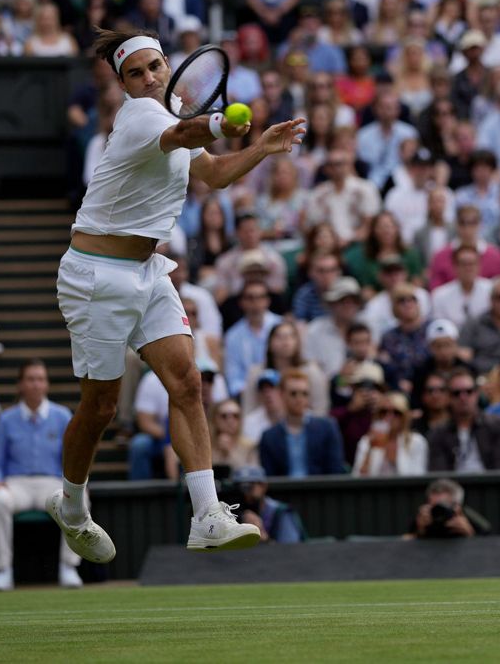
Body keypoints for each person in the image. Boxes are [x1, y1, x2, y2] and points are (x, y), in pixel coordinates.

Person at [51, 28, 307, 559]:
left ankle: (208, 515)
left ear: (169, 66)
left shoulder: (164, 115)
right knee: (99, 408)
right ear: (123, 84)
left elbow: (212, 174)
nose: (148, 78)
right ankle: (71, 506)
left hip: (147, 271)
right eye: (135, 73)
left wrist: (259, 146)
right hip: (95, 276)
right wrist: (221, 121)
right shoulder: (142, 115)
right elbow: (187, 137)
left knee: (188, 383)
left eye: (155, 66)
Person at [0, 361, 82, 591]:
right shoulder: (6, 419)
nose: (36, 384)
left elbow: (72, 458)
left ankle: (69, 567)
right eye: (30, 379)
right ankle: (3, 570)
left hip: (52, 483)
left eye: (40, 379)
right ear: (20, 385)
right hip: (17, 484)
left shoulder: (61, 415)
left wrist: (77, 484)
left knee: (79, 500)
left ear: (47, 384)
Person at [258, 372, 344, 477]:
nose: (299, 399)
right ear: (281, 394)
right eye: (293, 393)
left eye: (304, 393)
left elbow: (335, 472)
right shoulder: (269, 437)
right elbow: (269, 478)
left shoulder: (327, 428)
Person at [427, 368, 500, 472]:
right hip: (453, 487)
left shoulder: (496, 425)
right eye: (456, 393)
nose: (463, 397)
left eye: (469, 391)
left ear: (477, 394)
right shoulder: (438, 433)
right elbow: (439, 475)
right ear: (449, 397)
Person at [353, 392, 428, 476]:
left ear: (404, 416)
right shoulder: (366, 441)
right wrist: (370, 450)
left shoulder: (416, 441)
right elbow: (358, 477)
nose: (389, 416)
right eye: (384, 412)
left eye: (396, 412)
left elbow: (418, 476)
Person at [229, 466, 305, 544]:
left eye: (249, 486)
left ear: (263, 486)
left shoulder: (280, 512)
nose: (245, 493)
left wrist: (265, 539)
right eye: (239, 487)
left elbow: (292, 550)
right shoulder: (231, 514)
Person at [408, 477, 491, 539]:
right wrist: (420, 531)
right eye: (435, 507)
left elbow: (488, 544)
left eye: (443, 507)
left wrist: (469, 533)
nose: (439, 512)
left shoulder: (469, 518)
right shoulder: (423, 518)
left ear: (457, 507)